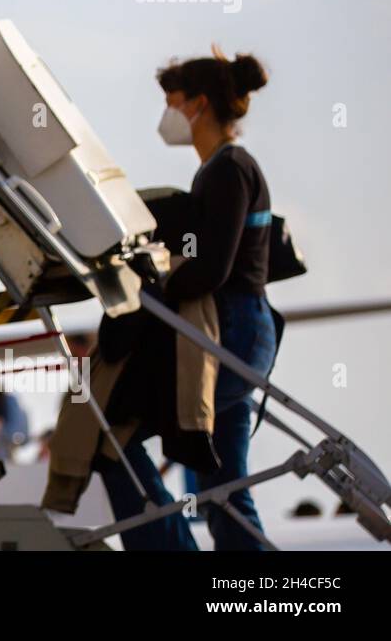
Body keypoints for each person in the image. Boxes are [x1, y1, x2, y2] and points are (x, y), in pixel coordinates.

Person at [100, 46, 274, 550]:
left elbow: (214, 268)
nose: (167, 115)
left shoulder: (227, 170)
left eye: (173, 102)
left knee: (118, 438)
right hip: (243, 331)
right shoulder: (223, 170)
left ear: (198, 105)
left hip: (231, 333)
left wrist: (153, 284)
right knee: (223, 483)